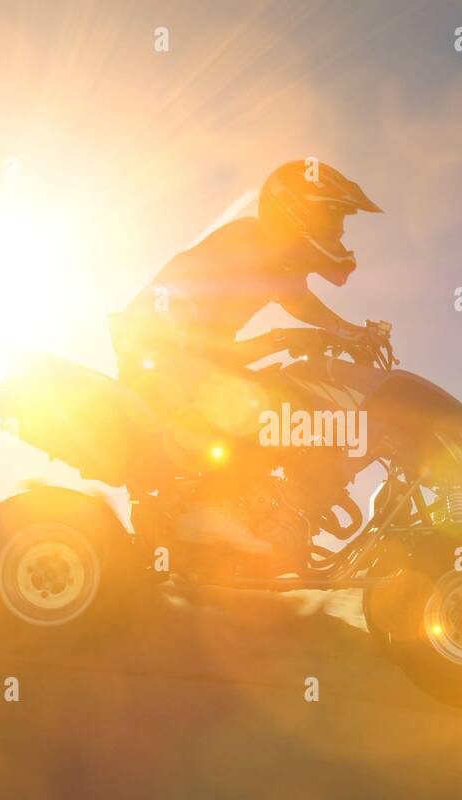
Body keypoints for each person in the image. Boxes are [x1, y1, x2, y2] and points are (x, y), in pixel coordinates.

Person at [109, 160, 383, 554]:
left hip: (176, 355)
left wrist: (349, 332)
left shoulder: (270, 255)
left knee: (271, 392)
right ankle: (212, 507)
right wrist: (284, 338)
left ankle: (232, 506)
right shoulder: (249, 242)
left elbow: (301, 303)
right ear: (298, 211)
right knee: (267, 403)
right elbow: (199, 330)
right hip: (158, 355)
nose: (340, 231)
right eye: (333, 216)